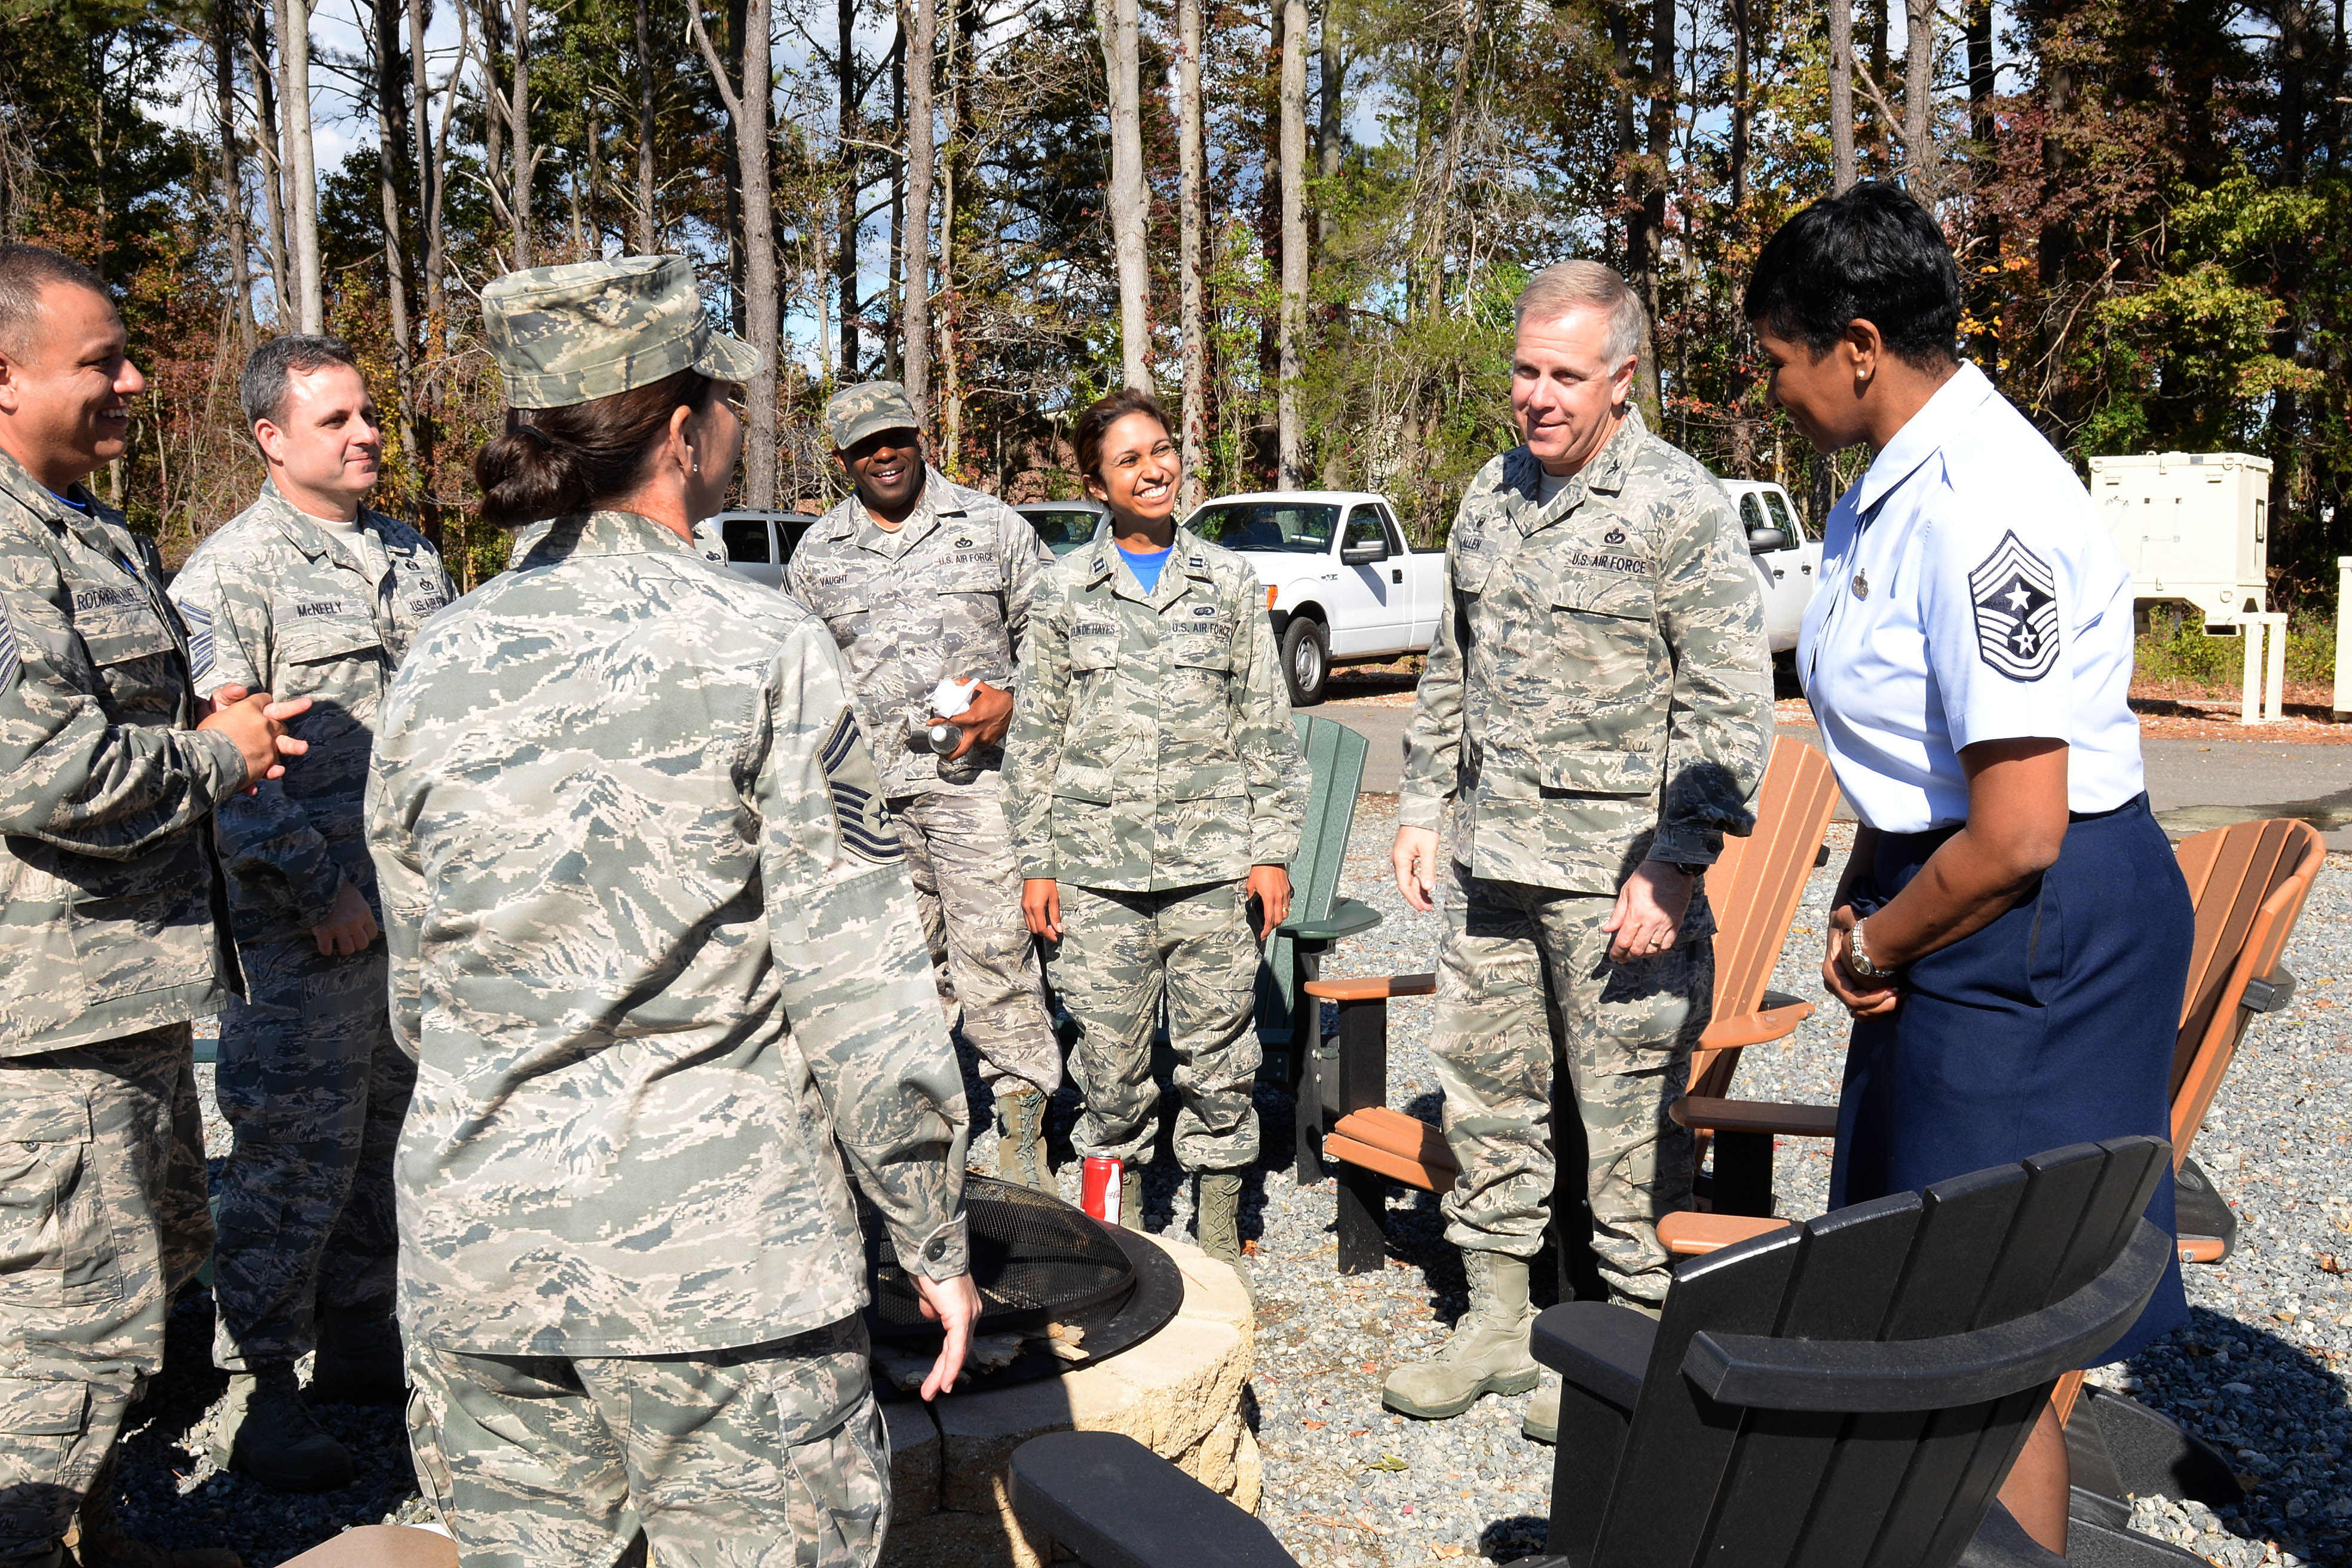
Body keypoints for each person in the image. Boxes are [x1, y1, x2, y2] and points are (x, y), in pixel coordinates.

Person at [365, 254, 980, 1568]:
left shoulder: (436, 662)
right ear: (685, 431)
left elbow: (419, 993)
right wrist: (931, 1232)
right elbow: (862, 989)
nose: (743, 431)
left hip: (489, 1265)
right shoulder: (763, 648)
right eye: (731, 406)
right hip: (725, 1279)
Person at [1747, 182, 2190, 1556]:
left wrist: (1883, 943)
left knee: (1979, 1340)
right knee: (1911, 1300)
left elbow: (2018, 827)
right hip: (1952, 902)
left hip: (2032, 929)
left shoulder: (1983, 501)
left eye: (1779, 358)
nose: (1772, 389)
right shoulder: (1890, 486)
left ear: (1860, 344)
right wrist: (1866, 888)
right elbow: (1915, 762)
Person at [1385, 261, 1770, 1443]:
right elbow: (1448, 661)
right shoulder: (1488, 499)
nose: (1539, 397)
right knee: (1490, 1100)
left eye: (1566, 375)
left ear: (1622, 379)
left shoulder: (1678, 504)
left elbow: (1729, 706)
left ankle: (1628, 1342)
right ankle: (1499, 1318)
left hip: (1619, 885)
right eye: (1524, 371)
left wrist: (1678, 858)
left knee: (1629, 1116)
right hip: (1495, 866)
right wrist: (1418, 803)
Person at [0, 243, 307, 1568]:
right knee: (59, 1330)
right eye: (101, 361)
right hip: (44, 1030)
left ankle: (100, 1532)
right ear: (5, 378)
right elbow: (41, 773)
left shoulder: (94, 526)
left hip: (125, 997)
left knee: (132, 1296)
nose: (135, 378)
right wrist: (217, 756)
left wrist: (198, 725)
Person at [171, 336, 455, 1492]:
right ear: (271, 440)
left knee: (390, 1146)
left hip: (415, 923)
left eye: (367, 414)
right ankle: (263, 1390)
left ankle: (360, 1348)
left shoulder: (413, 560)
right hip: (309, 932)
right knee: (294, 1155)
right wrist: (318, 888)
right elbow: (224, 765)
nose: (366, 435)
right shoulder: (225, 579)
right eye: (335, 420)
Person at [1002, 388, 1303, 1270]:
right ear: (1097, 483)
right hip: (1096, 878)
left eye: (1162, 450)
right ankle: (1117, 1247)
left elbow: (1265, 727)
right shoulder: (1062, 592)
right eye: (1129, 460)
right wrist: (1037, 863)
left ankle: (1217, 1244)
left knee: (1220, 1067)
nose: (1154, 469)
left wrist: (1271, 849)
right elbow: (1037, 741)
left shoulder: (1230, 581)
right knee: (1109, 1073)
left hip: (1212, 871)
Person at [785, 383, 1062, 1189]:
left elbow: (1056, 637)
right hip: (867, 799)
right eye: (866, 444)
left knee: (997, 956)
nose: (885, 453)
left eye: (896, 436)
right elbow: (798, 675)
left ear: (919, 436)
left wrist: (1015, 702)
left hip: (975, 786)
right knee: (904, 971)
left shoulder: (991, 528)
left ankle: (1021, 1130)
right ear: (842, 458)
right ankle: (928, 1136)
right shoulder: (818, 554)